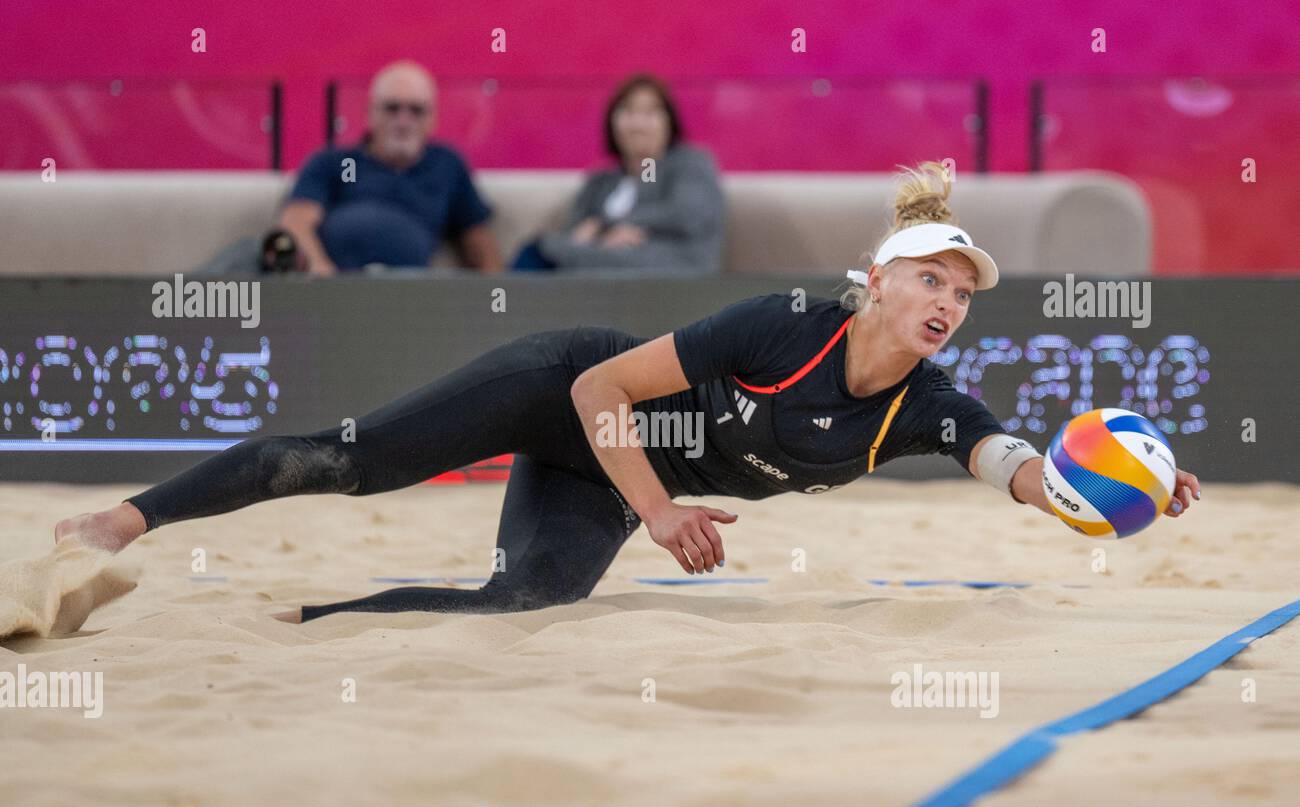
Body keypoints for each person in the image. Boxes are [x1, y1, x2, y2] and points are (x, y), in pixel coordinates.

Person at [54, 163, 1200, 623]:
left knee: (523, 605)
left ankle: (303, 620)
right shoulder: (787, 323)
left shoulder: (931, 404)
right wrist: (657, 511)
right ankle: (123, 517)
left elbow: (1024, 470)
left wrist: (1124, 485)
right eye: (928, 277)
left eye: (963, 288)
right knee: (348, 464)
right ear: (875, 283)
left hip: (623, 481)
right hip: (563, 396)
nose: (947, 298)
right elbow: (606, 383)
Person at [279, 60, 502, 274]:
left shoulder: (447, 165)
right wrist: (320, 270)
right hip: (335, 289)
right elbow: (296, 222)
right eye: (392, 108)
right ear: (369, 113)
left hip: (409, 296)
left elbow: (481, 246)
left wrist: (496, 302)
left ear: (433, 118)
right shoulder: (332, 162)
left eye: (416, 110)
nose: (403, 121)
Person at [512, 74, 724, 273]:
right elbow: (576, 232)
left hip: (666, 268)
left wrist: (607, 226)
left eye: (651, 112)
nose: (638, 124)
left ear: (670, 122)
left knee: (539, 255)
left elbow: (688, 215)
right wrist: (601, 238)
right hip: (598, 268)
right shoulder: (602, 180)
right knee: (537, 253)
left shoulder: (690, 163)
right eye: (628, 112)